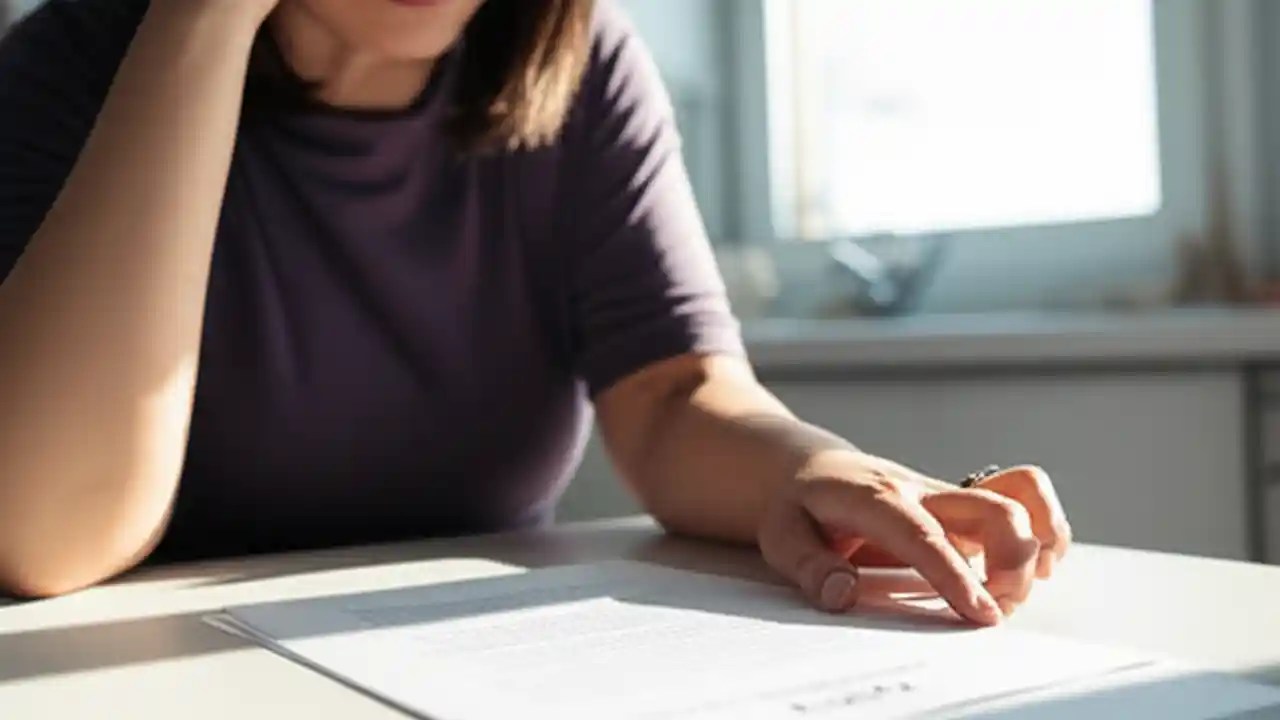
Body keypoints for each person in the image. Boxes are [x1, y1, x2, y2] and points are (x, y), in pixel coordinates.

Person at [0, 0, 1069, 622]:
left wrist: (809, 472)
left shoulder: (580, 64)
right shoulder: (72, 63)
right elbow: (42, 534)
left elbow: (673, 392)